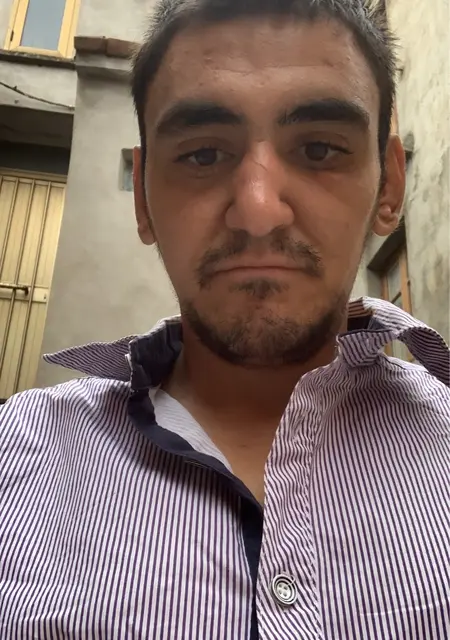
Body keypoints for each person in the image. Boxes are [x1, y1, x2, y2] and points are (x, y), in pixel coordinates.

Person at [1, 0, 449, 638]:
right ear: (143, 197)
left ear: (389, 187)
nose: (258, 210)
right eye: (203, 155)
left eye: (319, 149)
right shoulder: (16, 459)